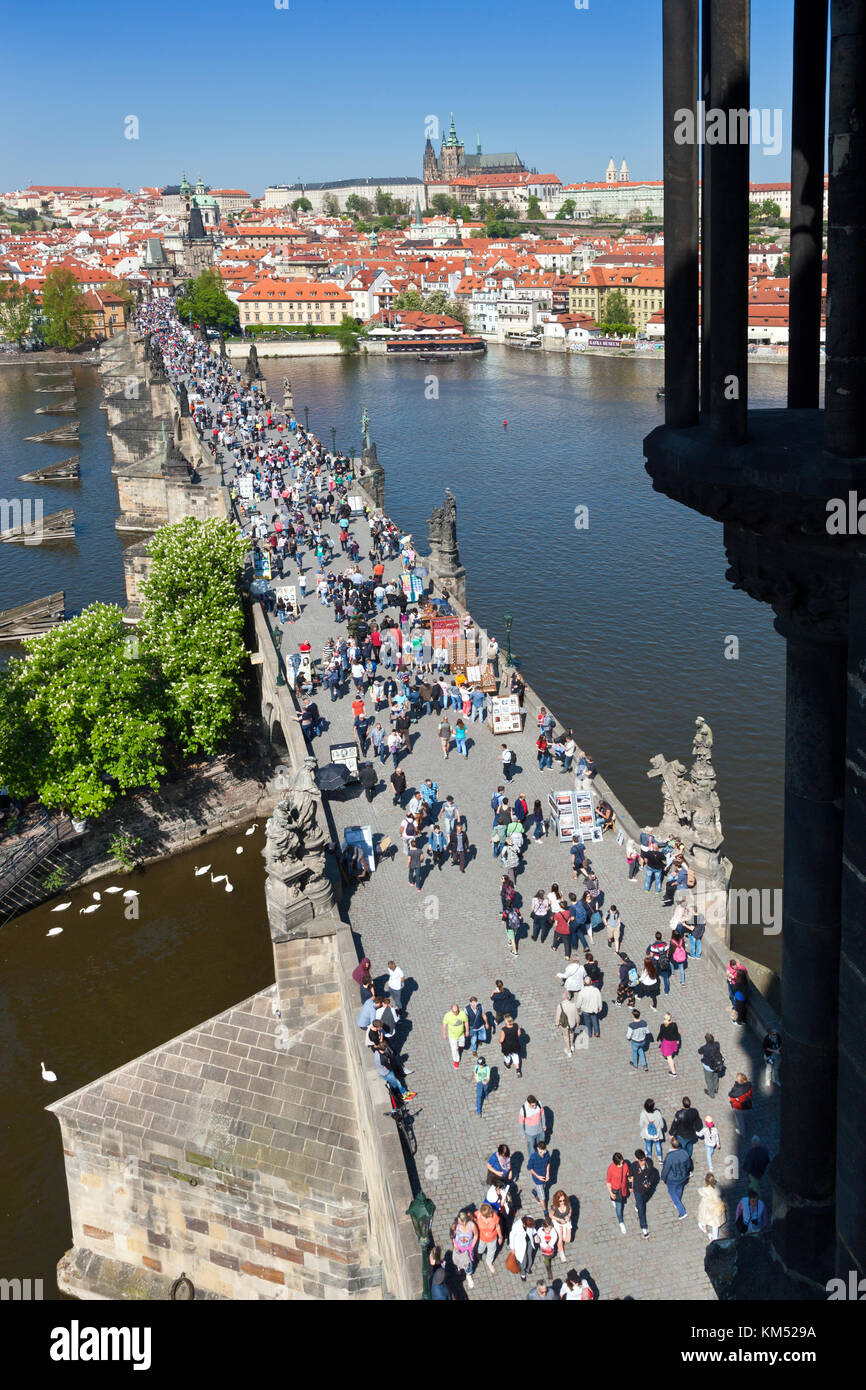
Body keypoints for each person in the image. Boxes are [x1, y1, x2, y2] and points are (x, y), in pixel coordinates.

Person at [660, 1136, 692, 1219]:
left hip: (672, 1179)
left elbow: (666, 1169)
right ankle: (677, 1202)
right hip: (683, 1176)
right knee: (679, 1189)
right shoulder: (685, 1153)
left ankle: (682, 1211)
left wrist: (663, 1177)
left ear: (671, 1145)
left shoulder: (669, 1157)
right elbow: (688, 1165)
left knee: (672, 1193)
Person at [630, 1149, 655, 1239]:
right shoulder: (633, 1166)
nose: (643, 1162)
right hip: (638, 1190)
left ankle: (637, 1205)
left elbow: (652, 1175)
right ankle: (644, 1228)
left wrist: (649, 1183)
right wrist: (630, 1186)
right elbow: (630, 1177)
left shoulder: (649, 1163)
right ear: (637, 1159)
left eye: (644, 1159)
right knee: (641, 1209)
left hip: (647, 1189)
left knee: (644, 1200)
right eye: (641, 1160)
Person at [451, 1210, 478, 1290]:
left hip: (467, 1249)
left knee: (468, 1264)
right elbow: (452, 1233)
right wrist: (454, 1243)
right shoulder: (456, 1225)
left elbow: (476, 1235)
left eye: (459, 1221)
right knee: (458, 1260)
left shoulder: (472, 1225)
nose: (457, 1221)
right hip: (458, 1248)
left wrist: (473, 1245)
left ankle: (468, 1275)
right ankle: (459, 1267)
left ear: (464, 1221)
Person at [606, 1151, 631, 1234]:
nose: (622, 1165)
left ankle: (613, 1200)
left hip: (623, 1188)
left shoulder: (625, 1165)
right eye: (620, 1164)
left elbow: (628, 1175)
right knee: (619, 1208)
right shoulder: (611, 1169)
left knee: (622, 1199)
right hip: (615, 1190)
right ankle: (621, 1222)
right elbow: (608, 1182)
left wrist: (630, 1184)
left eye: (622, 1162)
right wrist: (611, 1193)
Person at [473, 1202, 503, 1272]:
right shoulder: (477, 1214)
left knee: (491, 1251)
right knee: (480, 1248)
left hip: (492, 1238)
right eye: (489, 1216)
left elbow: (497, 1227)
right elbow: (473, 1221)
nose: (491, 1216)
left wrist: (500, 1237)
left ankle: (489, 1262)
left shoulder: (495, 1217)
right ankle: (478, 1253)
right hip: (481, 1237)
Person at [697, 1173, 727, 1242]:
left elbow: (700, 1191)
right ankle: (714, 1237)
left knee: (704, 1215)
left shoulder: (706, 1189)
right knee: (715, 1223)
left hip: (708, 1205)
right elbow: (720, 1191)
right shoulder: (718, 1185)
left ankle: (703, 1225)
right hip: (717, 1205)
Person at [508, 1216, 537, 1282]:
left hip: (529, 1241)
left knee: (529, 1256)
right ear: (524, 1224)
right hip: (520, 1245)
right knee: (523, 1260)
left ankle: (528, 1268)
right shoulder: (516, 1226)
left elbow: (533, 1229)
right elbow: (511, 1236)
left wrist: (535, 1236)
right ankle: (523, 1273)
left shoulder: (530, 1219)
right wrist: (512, 1248)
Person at [442, 1003, 469, 1069]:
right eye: (454, 1011)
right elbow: (444, 1025)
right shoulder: (447, 1016)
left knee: (462, 1045)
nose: (456, 1013)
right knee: (454, 1049)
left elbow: (466, 1022)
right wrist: (444, 1034)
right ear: (451, 1010)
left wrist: (467, 1031)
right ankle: (456, 1061)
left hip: (461, 1034)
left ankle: (460, 1047)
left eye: (457, 1011)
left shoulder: (462, 1014)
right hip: (452, 1036)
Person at [549, 1190, 572, 1261]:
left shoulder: (567, 1203)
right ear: (557, 1200)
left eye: (563, 1200)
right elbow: (551, 1215)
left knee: (568, 1240)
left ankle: (559, 1236)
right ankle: (561, 1252)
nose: (562, 1202)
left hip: (566, 1222)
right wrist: (559, 1219)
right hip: (558, 1223)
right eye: (560, 1201)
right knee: (560, 1240)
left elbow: (570, 1210)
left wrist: (568, 1216)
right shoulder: (554, 1207)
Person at [728, 1072, 753, 1136]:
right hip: (747, 1105)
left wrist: (736, 1100)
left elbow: (732, 1098)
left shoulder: (737, 1089)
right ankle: (745, 1123)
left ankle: (742, 1132)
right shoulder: (749, 1084)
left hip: (738, 1107)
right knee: (744, 1116)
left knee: (740, 1121)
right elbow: (750, 1094)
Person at [658, 1012, 681, 1077]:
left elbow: (661, 1034)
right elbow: (676, 1033)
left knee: (669, 1057)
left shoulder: (663, 1025)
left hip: (667, 1042)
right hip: (673, 1042)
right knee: (670, 1052)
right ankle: (667, 1057)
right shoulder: (674, 1025)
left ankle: (673, 1072)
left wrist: (658, 1039)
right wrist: (677, 1040)